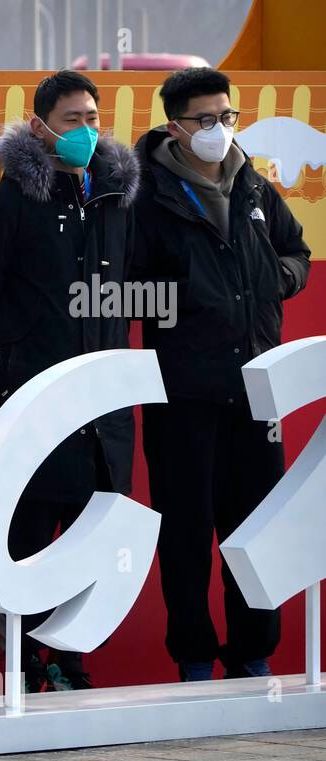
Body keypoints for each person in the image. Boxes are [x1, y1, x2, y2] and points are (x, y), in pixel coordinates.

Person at [0, 70, 140, 693]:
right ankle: (24, 663)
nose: (86, 130)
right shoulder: (2, 206)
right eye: (71, 120)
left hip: (102, 408)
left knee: (91, 537)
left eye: (93, 118)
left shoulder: (118, 202)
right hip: (29, 404)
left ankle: (72, 662)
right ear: (39, 126)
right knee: (28, 539)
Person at [130, 67, 311, 681]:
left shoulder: (254, 186)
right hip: (183, 390)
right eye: (205, 120)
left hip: (258, 389)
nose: (220, 130)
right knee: (186, 531)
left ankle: (253, 654)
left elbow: (297, 253)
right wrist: (188, 300)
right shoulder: (147, 197)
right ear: (176, 126)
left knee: (257, 527)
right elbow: (124, 286)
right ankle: (195, 659)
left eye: (227, 117)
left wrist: (274, 283)